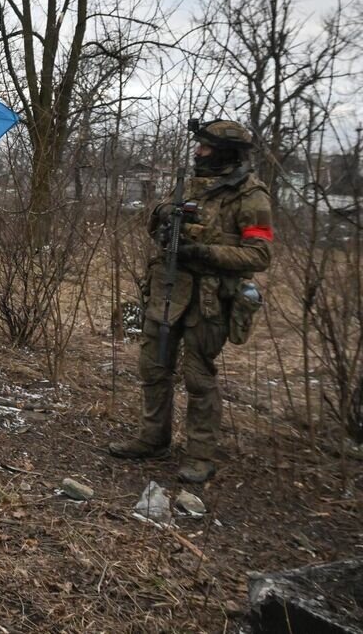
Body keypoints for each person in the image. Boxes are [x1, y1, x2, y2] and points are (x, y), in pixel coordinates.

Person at [109, 119, 273, 484]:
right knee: (153, 368)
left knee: (198, 377)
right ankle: (152, 439)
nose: (198, 152)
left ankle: (200, 455)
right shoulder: (189, 185)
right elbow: (156, 223)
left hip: (210, 299)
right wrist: (165, 218)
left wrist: (203, 250)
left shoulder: (250, 195)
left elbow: (259, 255)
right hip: (169, 289)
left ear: (227, 153)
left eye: (207, 147)